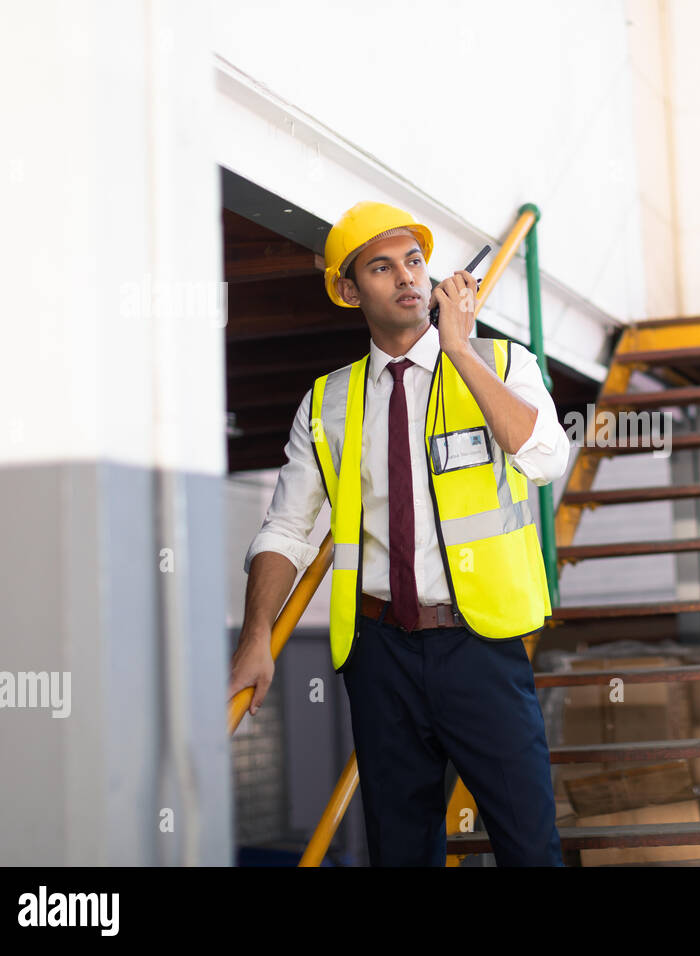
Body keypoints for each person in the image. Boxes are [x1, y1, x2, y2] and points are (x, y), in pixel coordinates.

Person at [229, 201, 568, 866]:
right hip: (379, 655)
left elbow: (546, 459)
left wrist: (460, 349)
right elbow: (286, 531)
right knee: (400, 852)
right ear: (351, 290)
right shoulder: (326, 402)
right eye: (382, 268)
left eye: (414, 261)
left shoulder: (502, 364)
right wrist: (255, 637)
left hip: (481, 646)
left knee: (530, 847)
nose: (407, 276)